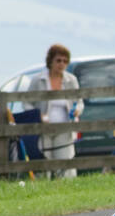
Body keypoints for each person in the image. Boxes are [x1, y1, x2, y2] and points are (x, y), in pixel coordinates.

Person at [28, 44, 83, 179]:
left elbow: (79, 102)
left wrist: (77, 110)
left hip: (64, 127)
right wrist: (38, 116)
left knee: (65, 163)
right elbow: (26, 102)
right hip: (43, 128)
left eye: (65, 61)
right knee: (44, 162)